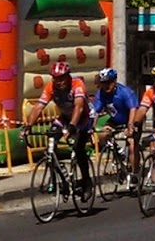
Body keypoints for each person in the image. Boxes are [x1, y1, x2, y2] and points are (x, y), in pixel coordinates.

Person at [28, 60, 92, 192]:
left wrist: (72, 127)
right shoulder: (50, 87)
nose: (59, 82)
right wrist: (27, 126)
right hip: (65, 118)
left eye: (62, 78)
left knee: (78, 148)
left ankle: (87, 181)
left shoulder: (77, 84)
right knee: (50, 145)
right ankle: (58, 179)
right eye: (56, 79)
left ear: (68, 76)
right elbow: (39, 107)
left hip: (83, 118)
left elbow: (79, 107)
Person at [90, 68, 140, 187]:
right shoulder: (101, 94)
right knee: (102, 134)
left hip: (130, 118)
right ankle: (119, 153)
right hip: (115, 120)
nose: (106, 86)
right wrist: (91, 127)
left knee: (132, 144)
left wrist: (130, 127)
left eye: (109, 82)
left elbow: (133, 109)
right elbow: (94, 112)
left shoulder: (125, 92)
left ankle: (134, 173)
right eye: (103, 83)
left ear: (115, 81)